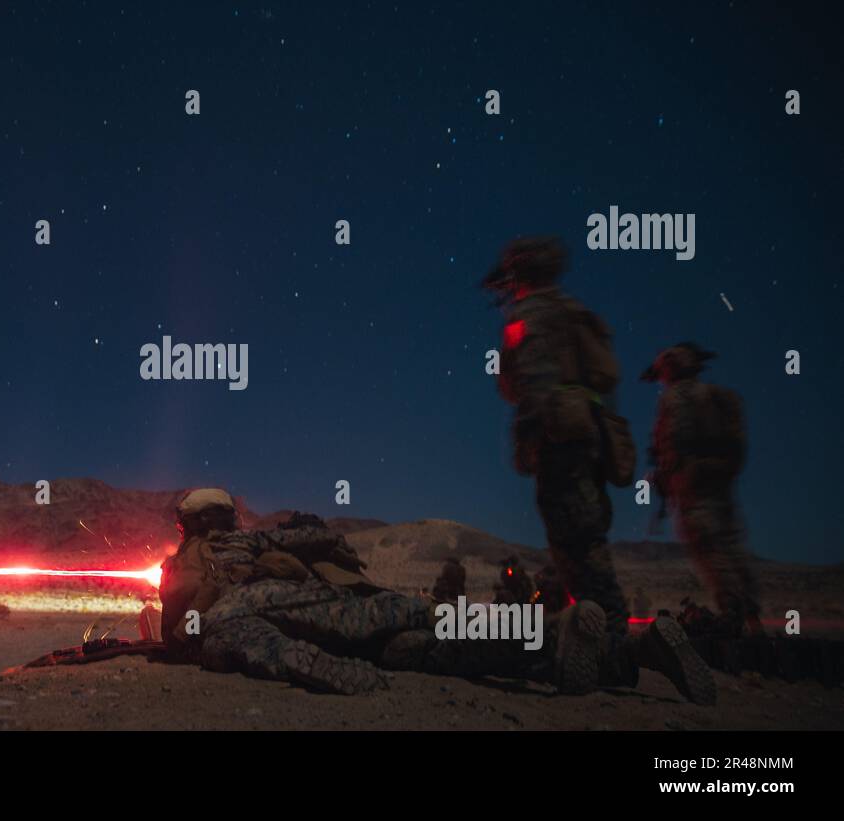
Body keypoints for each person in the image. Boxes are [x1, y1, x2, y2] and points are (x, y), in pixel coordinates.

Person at [159, 488, 714, 703]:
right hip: (349, 616)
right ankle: (628, 652)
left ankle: (595, 649)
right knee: (442, 629)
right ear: (227, 516)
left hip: (325, 633)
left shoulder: (190, 567)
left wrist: (315, 665)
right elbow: (321, 537)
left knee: (430, 646)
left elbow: (215, 631)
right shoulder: (252, 540)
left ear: (184, 524)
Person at [482, 236, 634, 640]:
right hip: (591, 435)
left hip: (559, 438)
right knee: (589, 534)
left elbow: (532, 385)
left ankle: (608, 638)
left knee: (573, 544)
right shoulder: (574, 312)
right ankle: (610, 630)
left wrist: (528, 441)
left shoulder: (529, 315)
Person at [643, 343, 762, 637]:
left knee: (709, 549)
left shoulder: (677, 398)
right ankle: (751, 617)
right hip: (719, 482)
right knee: (731, 546)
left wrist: (665, 476)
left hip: (692, 486)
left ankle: (732, 616)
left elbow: (675, 441)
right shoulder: (714, 398)